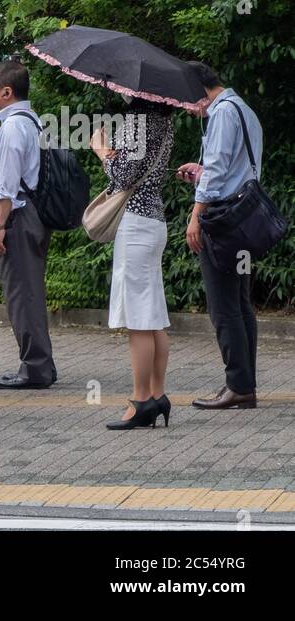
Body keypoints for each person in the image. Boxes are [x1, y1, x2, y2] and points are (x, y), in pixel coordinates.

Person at [176, 61, 264, 411]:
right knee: (240, 303)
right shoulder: (243, 109)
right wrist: (200, 174)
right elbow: (233, 167)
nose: (186, 105)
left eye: (186, 96)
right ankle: (244, 382)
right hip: (244, 216)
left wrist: (196, 215)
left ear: (198, 89)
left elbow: (216, 170)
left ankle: (238, 385)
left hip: (223, 219)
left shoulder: (222, 113)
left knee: (223, 306)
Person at [95, 97, 176, 429]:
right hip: (154, 220)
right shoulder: (164, 122)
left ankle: (141, 400)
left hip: (136, 224)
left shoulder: (137, 123)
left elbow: (123, 175)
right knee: (153, 315)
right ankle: (157, 395)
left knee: (139, 319)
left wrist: (100, 148)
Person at [0, 60, 57, 390]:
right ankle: (41, 364)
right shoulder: (33, 120)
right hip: (33, 215)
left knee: (21, 294)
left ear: (7, 91)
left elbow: (7, 185)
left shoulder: (13, 127)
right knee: (30, 291)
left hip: (17, 217)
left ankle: (35, 367)